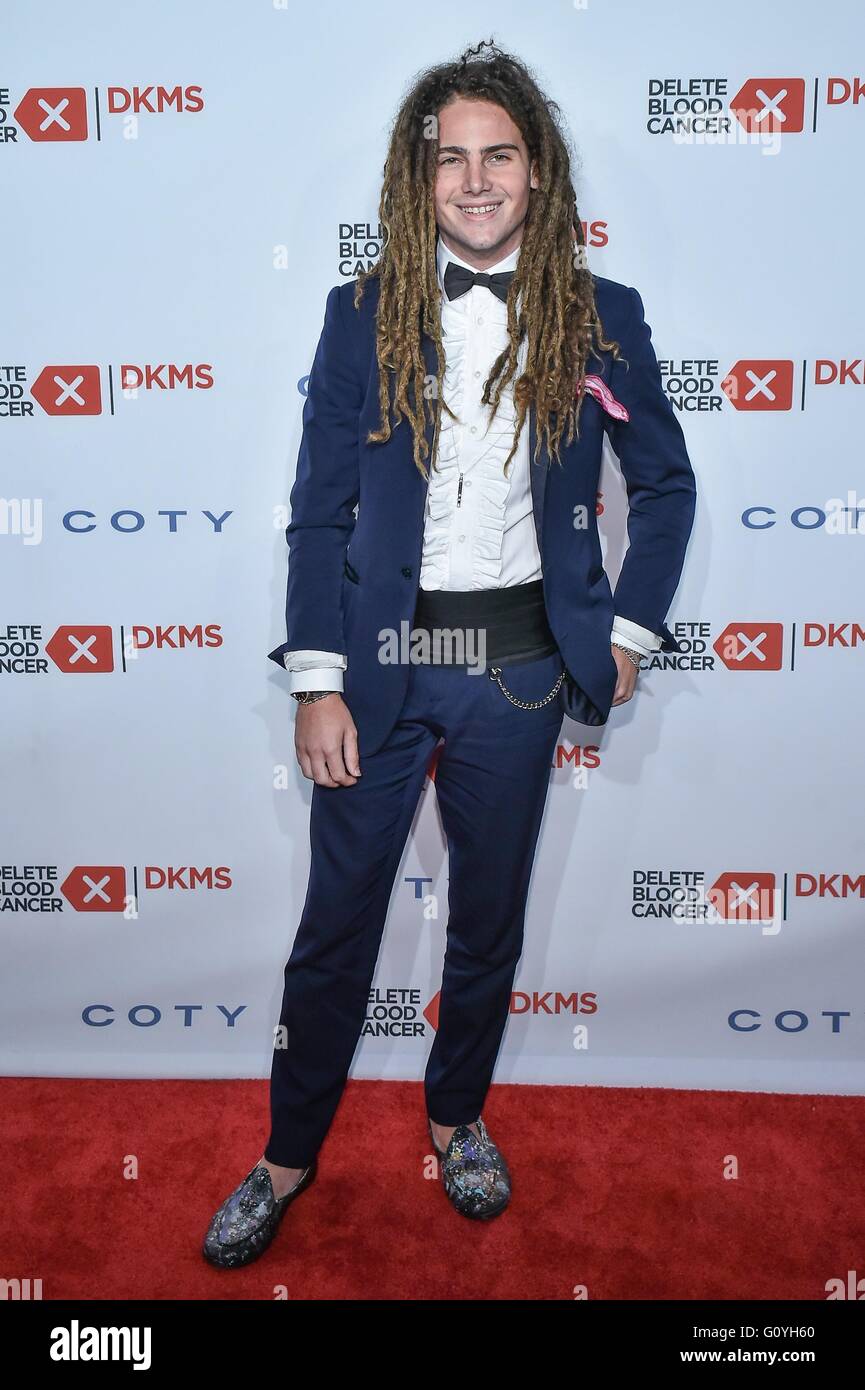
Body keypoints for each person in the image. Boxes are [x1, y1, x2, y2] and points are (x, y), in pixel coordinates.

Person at [202, 39, 696, 1268]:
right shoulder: (360, 312)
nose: (476, 181)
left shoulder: (603, 314)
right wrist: (316, 679)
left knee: (486, 922)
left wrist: (628, 632)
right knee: (335, 928)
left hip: (520, 671)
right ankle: (286, 1153)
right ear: (417, 178)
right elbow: (318, 512)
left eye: (500, 155)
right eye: (451, 160)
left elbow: (666, 486)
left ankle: (457, 1116)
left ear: (537, 171)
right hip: (379, 661)